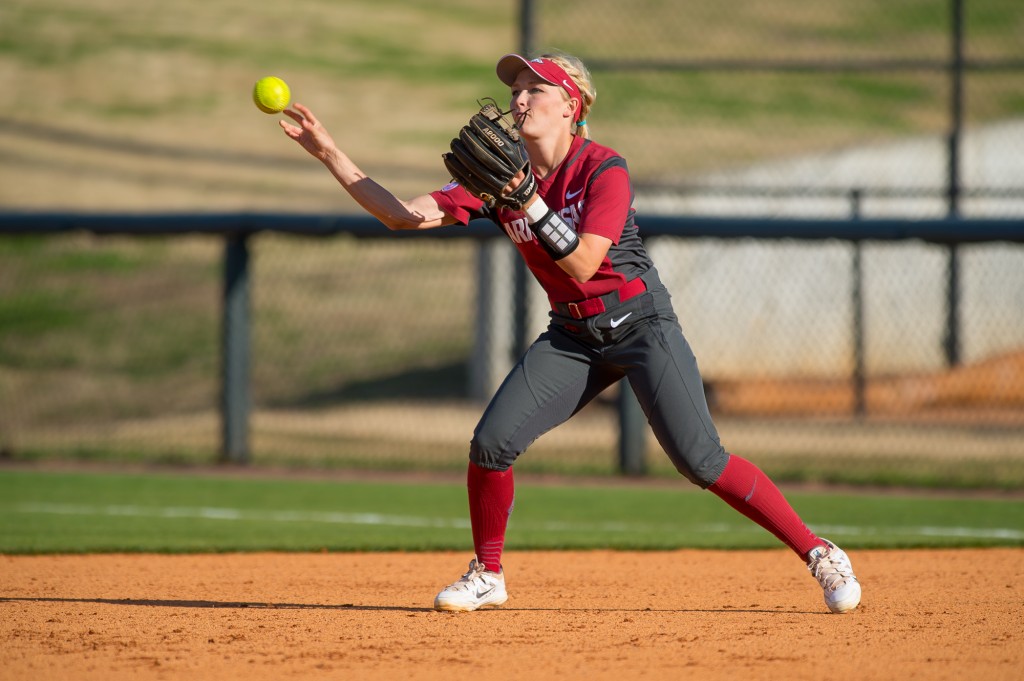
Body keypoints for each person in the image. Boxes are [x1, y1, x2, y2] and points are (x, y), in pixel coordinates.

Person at [279, 52, 862, 614]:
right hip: (574, 336)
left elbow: (584, 263)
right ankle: (488, 574)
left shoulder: (603, 168)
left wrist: (527, 202)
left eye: (536, 88)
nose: (519, 98)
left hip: (641, 326)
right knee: (491, 444)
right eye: (515, 89)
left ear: (571, 106)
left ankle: (819, 552)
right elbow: (401, 214)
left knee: (701, 461)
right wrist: (329, 152)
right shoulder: (499, 180)